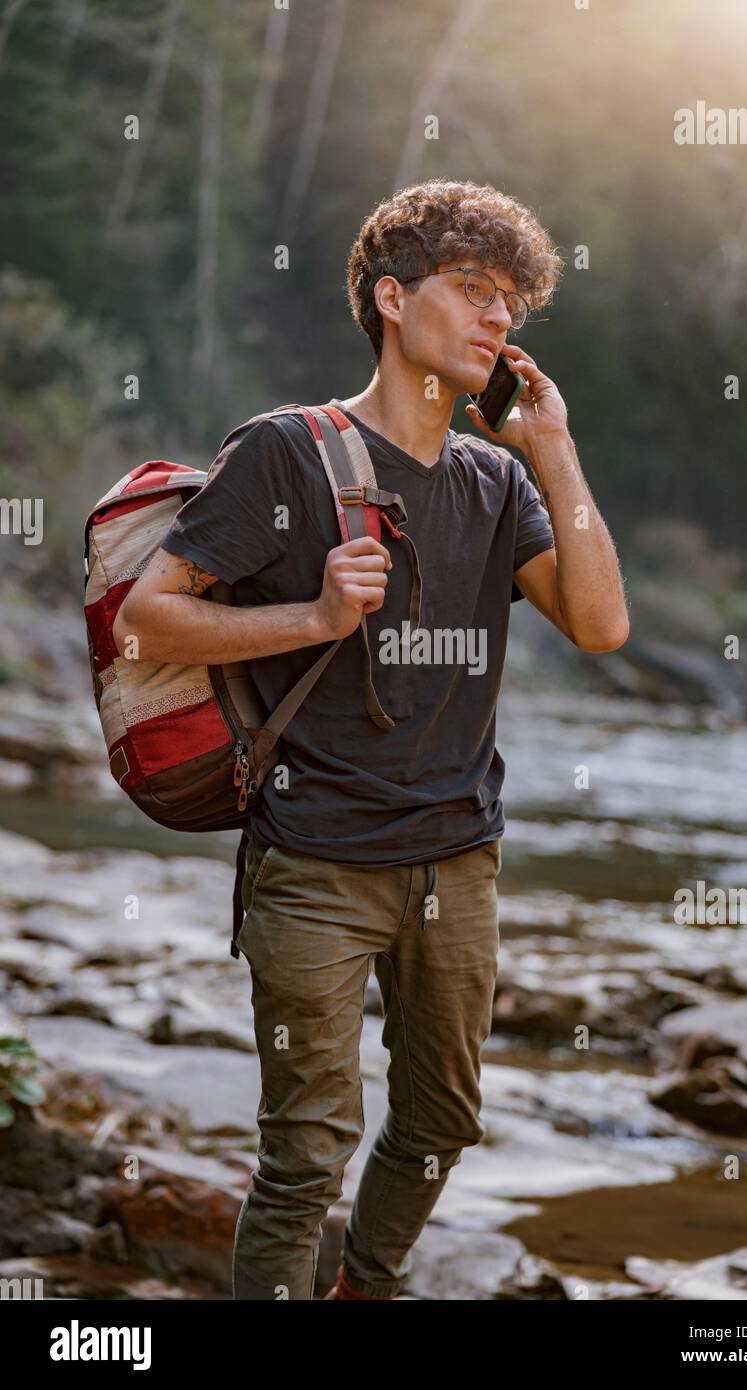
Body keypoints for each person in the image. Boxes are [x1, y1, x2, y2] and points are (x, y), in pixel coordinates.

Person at [113, 178, 629, 1300]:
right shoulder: (288, 452)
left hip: (457, 855)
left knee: (442, 1122)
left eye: (512, 304)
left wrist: (555, 448)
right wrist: (309, 617)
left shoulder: (496, 480)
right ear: (391, 300)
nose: (498, 319)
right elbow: (151, 613)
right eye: (472, 290)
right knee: (304, 1155)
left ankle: (366, 1287)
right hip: (313, 861)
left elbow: (599, 623)